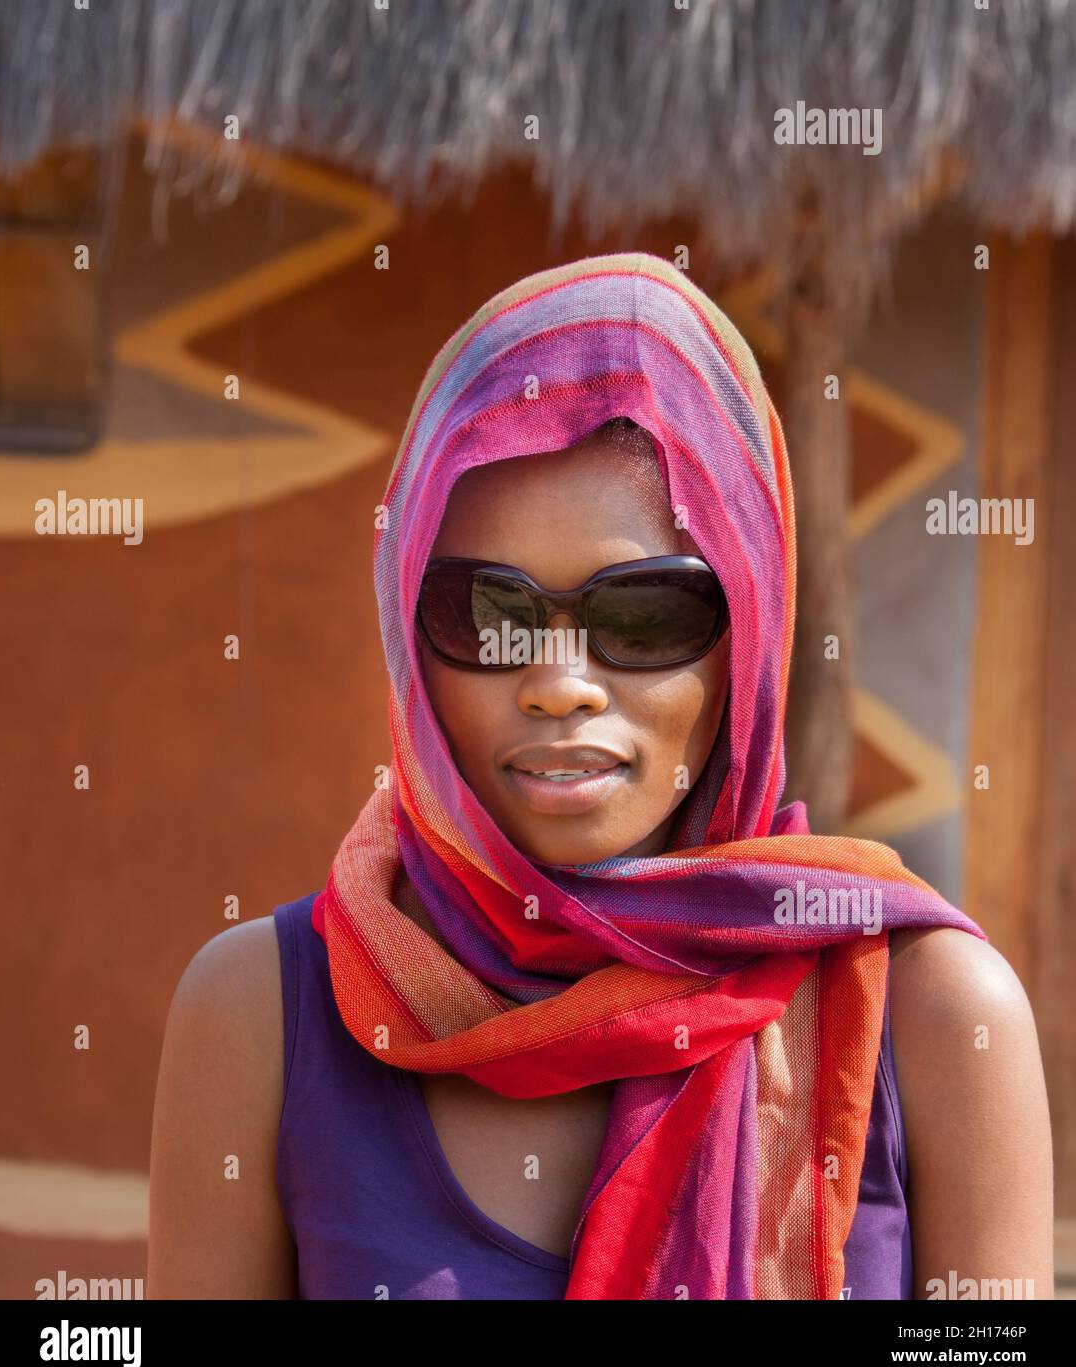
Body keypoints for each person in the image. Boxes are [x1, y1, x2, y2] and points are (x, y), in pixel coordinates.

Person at [147, 252, 1053, 1300]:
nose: (559, 685)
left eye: (644, 612)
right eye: (487, 612)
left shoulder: (932, 1023)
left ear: (750, 631)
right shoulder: (263, 1016)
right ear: (406, 628)